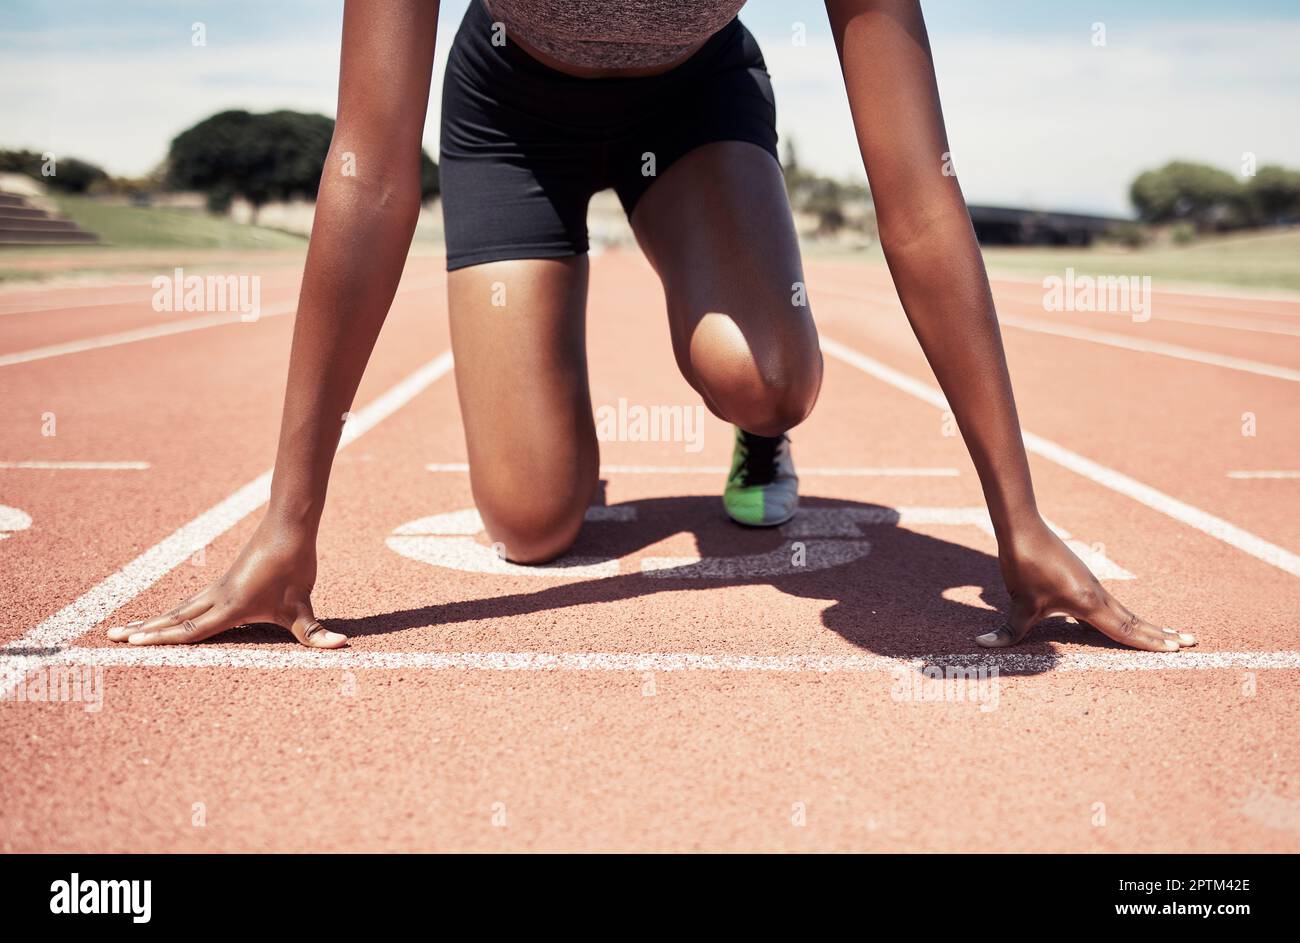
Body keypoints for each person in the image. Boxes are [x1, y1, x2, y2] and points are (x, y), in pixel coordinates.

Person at [109, 0, 1195, 654]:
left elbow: (916, 194)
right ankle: (543, 358)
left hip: (692, 110)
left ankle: (759, 432)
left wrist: (1020, 517)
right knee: (531, 521)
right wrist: (287, 522)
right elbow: (369, 170)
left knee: (765, 376)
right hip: (508, 121)